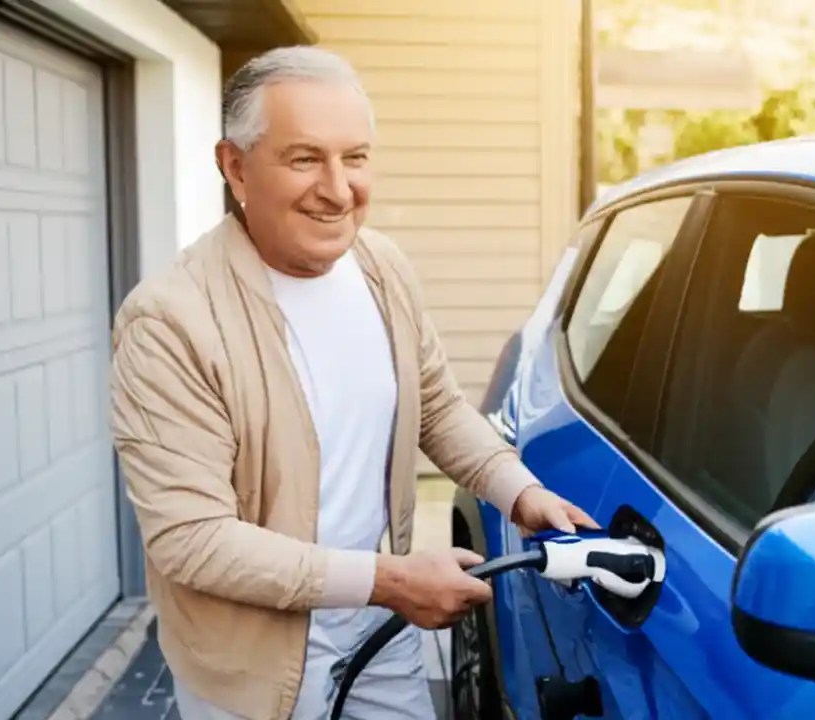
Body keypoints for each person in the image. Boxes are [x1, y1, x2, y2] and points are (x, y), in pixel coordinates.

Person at [109, 46, 596, 720]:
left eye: (356, 157)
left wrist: (521, 491)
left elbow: (434, 406)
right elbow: (191, 538)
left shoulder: (381, 267)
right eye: (304, 158)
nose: (338, 189)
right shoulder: (169, 321)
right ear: (234, 166)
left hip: (377, 632)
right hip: (251, 668)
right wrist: (390, 581)